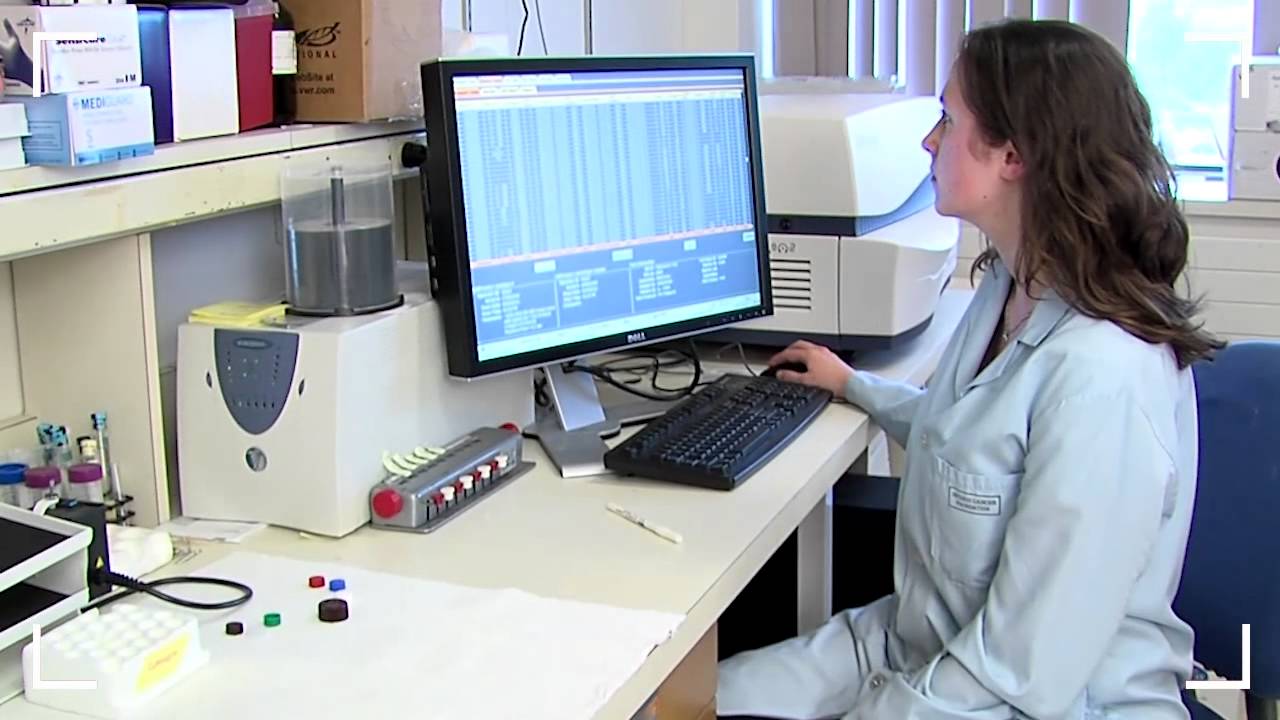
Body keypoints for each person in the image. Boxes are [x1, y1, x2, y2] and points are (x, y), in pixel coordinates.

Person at [716, 18, 1224, 720]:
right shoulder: (1008, 291)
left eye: (948, 120)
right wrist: (854, 383)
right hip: (915, 647)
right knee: (687, 701)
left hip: (1044, 702)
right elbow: (975, 446)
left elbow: (1019, 675)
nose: (930, 141)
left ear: (1013, 154)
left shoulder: (1104, 375)